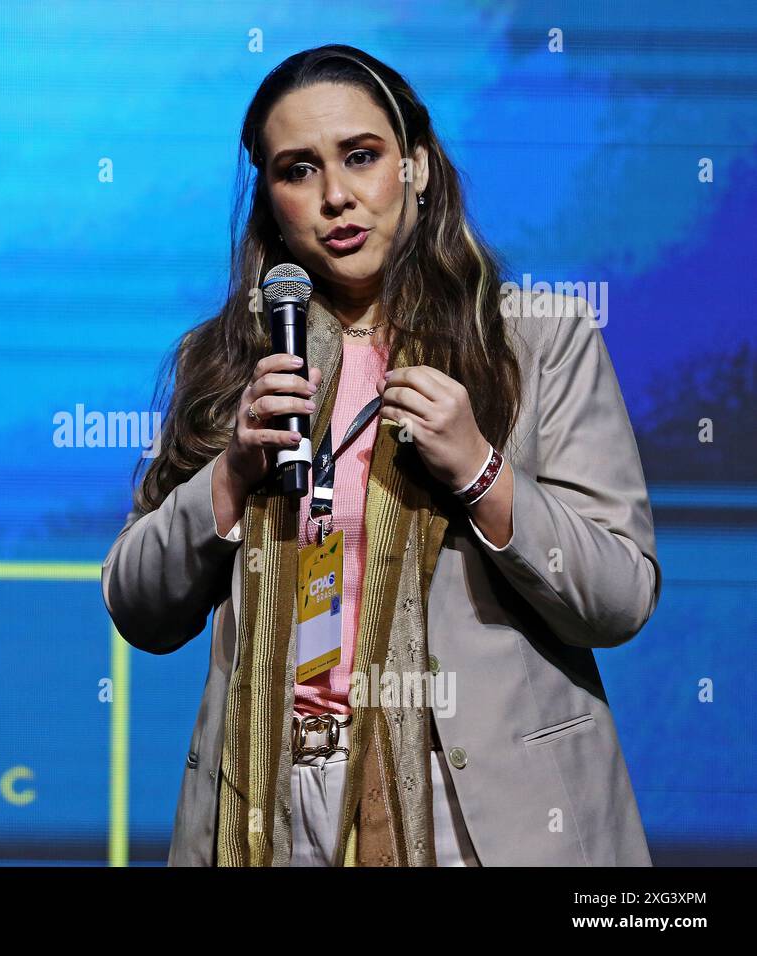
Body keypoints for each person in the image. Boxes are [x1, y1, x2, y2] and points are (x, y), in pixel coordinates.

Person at [100, 44, 661, 866]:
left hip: (471, 808)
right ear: (269, 200)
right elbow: (136, 603)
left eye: (361, 157)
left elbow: (618, 597)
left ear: (418, 167)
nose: (336, 196)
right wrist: (229, 477)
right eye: (299, 169)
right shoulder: (227, 360)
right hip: (272, 803)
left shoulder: (536, 340)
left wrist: (479, 468)